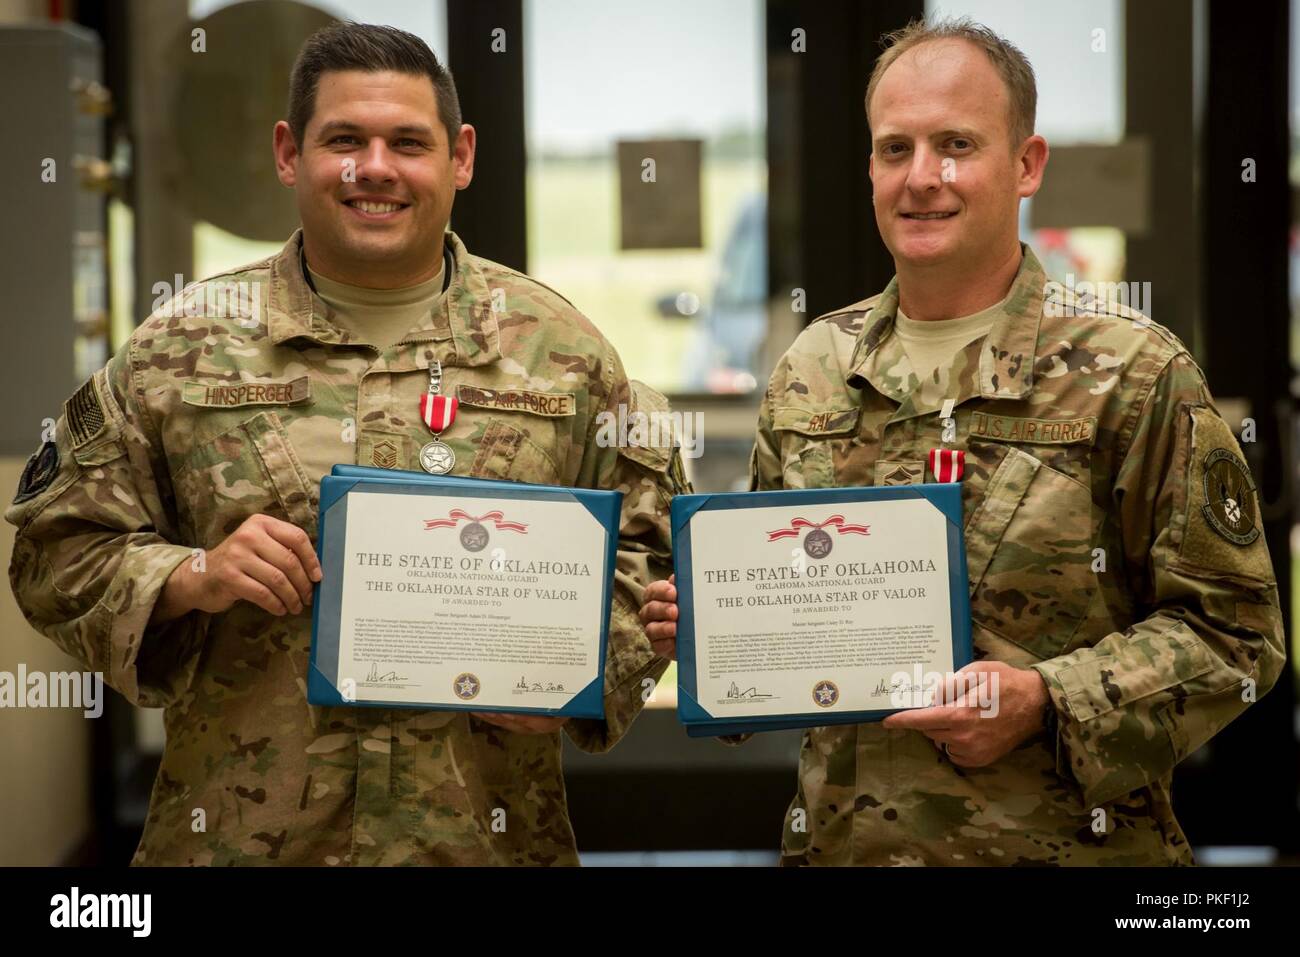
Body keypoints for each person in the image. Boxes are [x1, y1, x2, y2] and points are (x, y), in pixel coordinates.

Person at [7, 22, 686, 866]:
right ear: (291, 153)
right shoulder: (181, 346)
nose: (375, 168)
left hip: (481, 842)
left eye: (408, 142)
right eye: (344, 141)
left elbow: (654, 558)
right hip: (243, 842)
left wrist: (579, 675)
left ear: (460, 157)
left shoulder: (566, 353)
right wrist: (192, 575)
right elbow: (52, 555)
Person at [640, 18, 1285, 865]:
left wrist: (1048, 699)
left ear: (1027, 165)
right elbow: (781, 614)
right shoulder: (815, 369)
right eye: (894, 148)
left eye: (956, 144)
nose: (922, 178)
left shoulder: (1132, 371)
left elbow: (1239, 635)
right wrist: (711, 630)